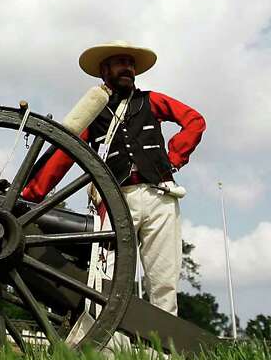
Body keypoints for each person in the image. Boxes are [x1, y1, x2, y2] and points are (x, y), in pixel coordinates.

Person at [24, 41, 205, 318]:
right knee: (108, 280)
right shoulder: (93, 113)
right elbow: (63, 157)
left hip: (160, 196)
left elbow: (194, 120)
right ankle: (110, 349)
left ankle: (162, 355)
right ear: (104, 70)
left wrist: (174, 157)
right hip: (117, 200)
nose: (128, 68)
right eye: (121, 62)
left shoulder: (151, 100)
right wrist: (30, 195)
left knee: (164, 282)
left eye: (130, 64)